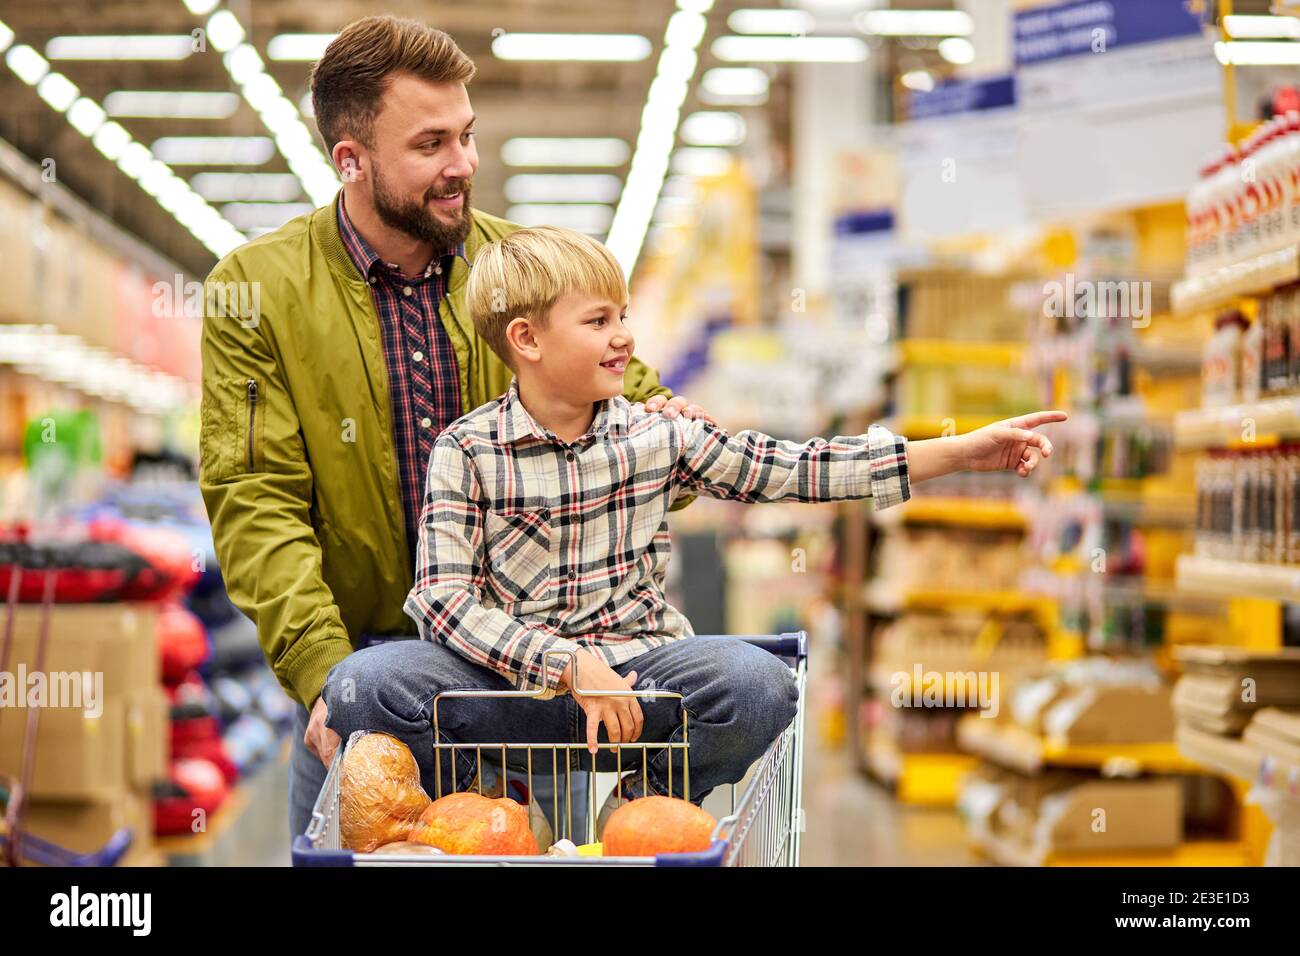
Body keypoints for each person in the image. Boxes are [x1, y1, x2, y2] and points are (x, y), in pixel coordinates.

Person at [320, 226, 1068, 837]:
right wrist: (567, 665)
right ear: (527, 338)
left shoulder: (659, 437)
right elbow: (441, 601)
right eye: (599, 321)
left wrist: (964, 449)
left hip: (644, 671)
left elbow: (800, 468)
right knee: (361, 685)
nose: (624, 338)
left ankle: (641, 802)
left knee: (760, 685)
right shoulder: (467, 450)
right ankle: (491, 803)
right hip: (507, 684)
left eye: (622, 316)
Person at [197, 17, 712, 842]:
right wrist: (325, 674)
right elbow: (256, 502)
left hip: (528, 693)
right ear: (351, 158)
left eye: (466, 136)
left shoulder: (526, 269)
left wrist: (672, 431)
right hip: (369, 684)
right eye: (432, 143)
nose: (464, 165)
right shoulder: (257, 291)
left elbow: (633, 415)